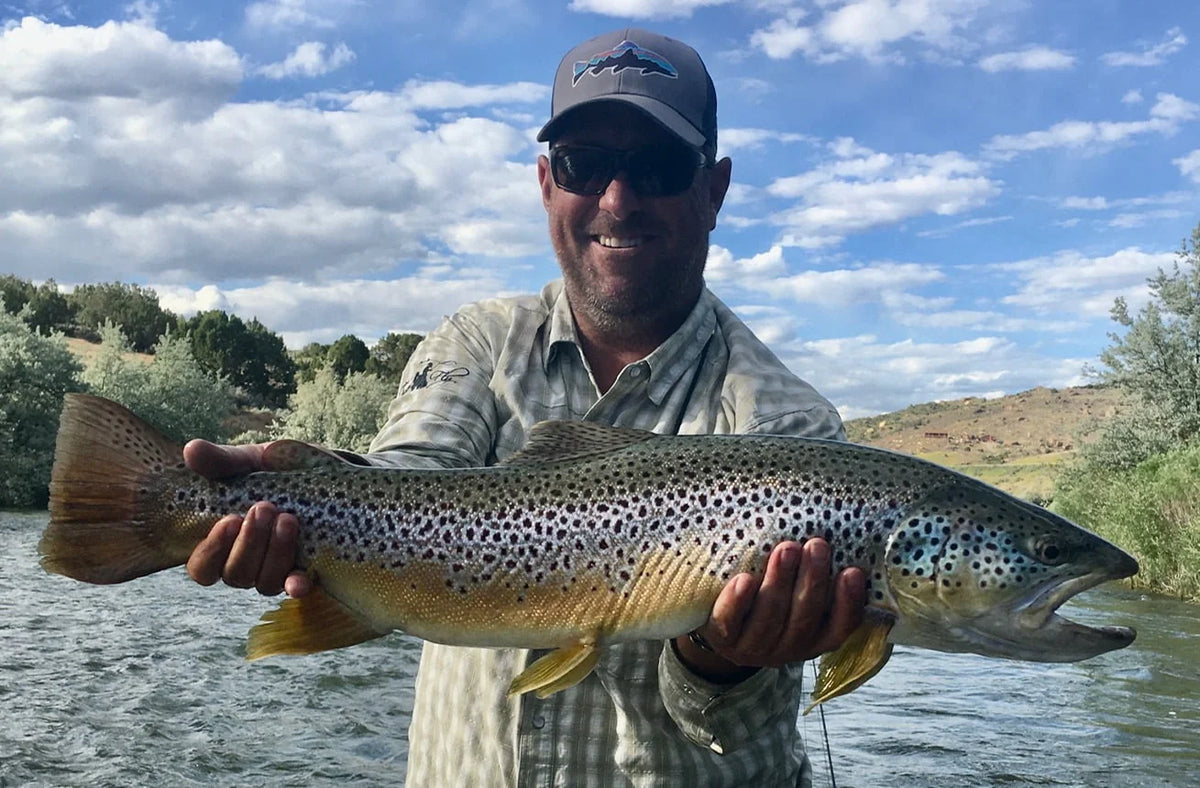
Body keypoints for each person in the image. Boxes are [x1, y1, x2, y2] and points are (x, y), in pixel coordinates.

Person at [184, 28, 867, 787]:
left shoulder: (793, 433)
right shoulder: (477, 342)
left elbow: (738, 736)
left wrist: (722, 659)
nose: (618, 198)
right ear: (547, 183)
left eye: (660, 167)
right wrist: (293, 494)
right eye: (585, 166)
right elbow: (410, 477)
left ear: (714, 191)